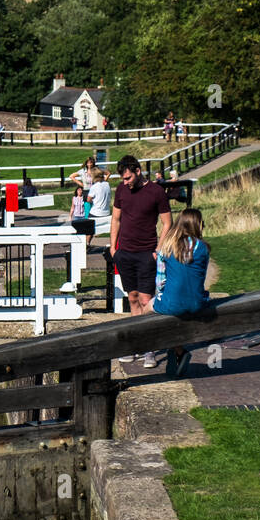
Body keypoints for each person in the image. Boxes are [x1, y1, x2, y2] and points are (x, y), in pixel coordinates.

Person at [109, 155, 172, 369]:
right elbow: (115, 218)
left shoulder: (156, 192)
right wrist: (113, 247)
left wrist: (157, 250)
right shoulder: (121, 190)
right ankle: (135, 346)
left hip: (147, 253)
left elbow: (167, 223)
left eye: (127, 177)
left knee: (147, 301)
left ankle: (149, 349)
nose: (125, 182)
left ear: (137, 171)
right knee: (133, 299)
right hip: (125, 253)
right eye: (123, 179)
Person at [152, 207, 210, 378]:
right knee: (178, 309)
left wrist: (162, 295)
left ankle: (160, 350)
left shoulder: (167, 246)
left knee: (147, 308)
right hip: (197, 301)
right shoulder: (203, 248)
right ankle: (177, 351)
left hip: (173, 303)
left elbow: (160, 281)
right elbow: (200, 277)